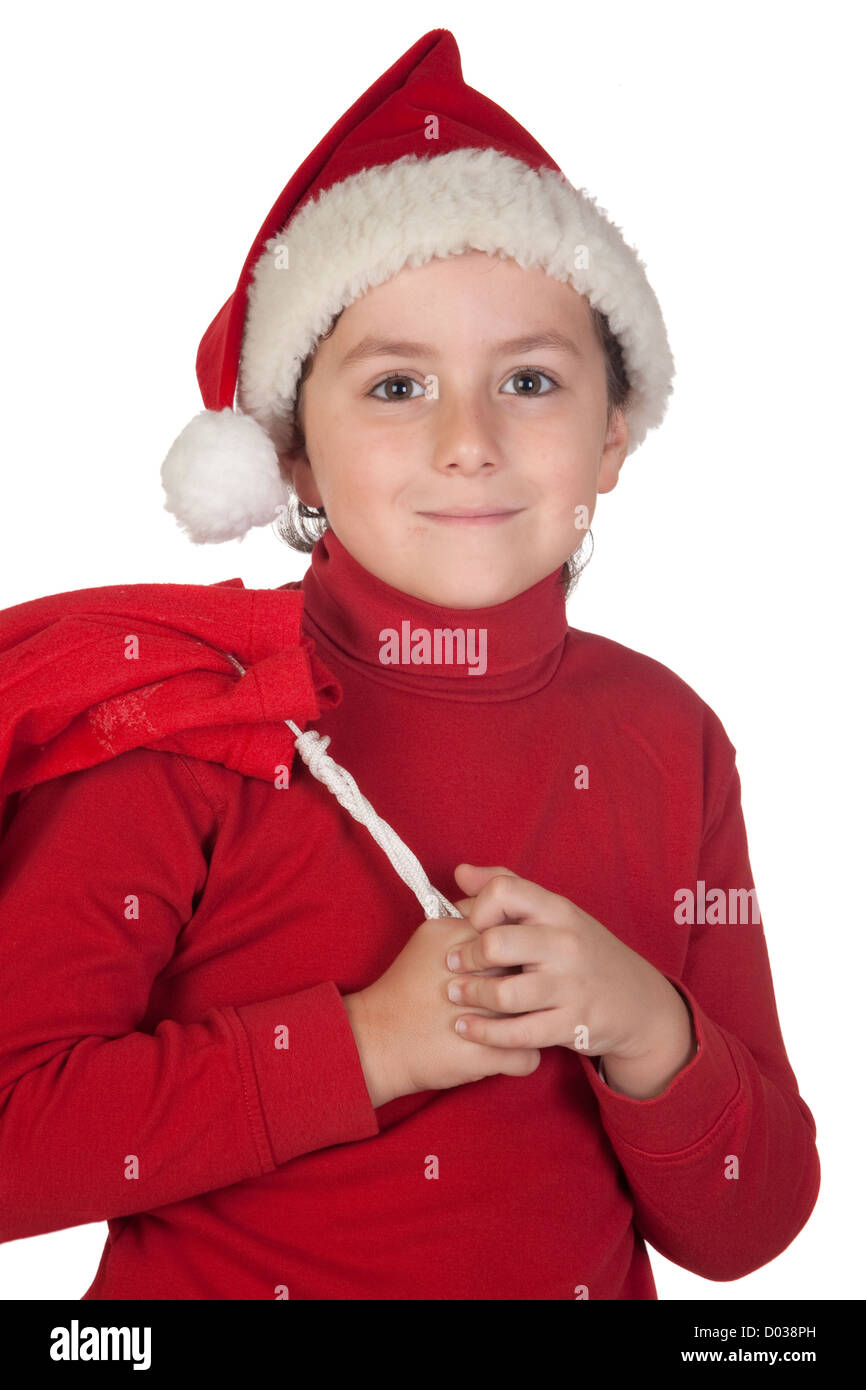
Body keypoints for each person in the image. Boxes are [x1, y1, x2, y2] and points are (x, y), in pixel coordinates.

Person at [0, 27, 819, 1300]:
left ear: (613, 435)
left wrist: (648, 1023)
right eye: (394, 388)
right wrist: (364, 1047)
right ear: (290, 455)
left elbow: (746, 1227)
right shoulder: (191, 711)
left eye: (530, 380)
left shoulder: (669, 733)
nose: (467, 443)